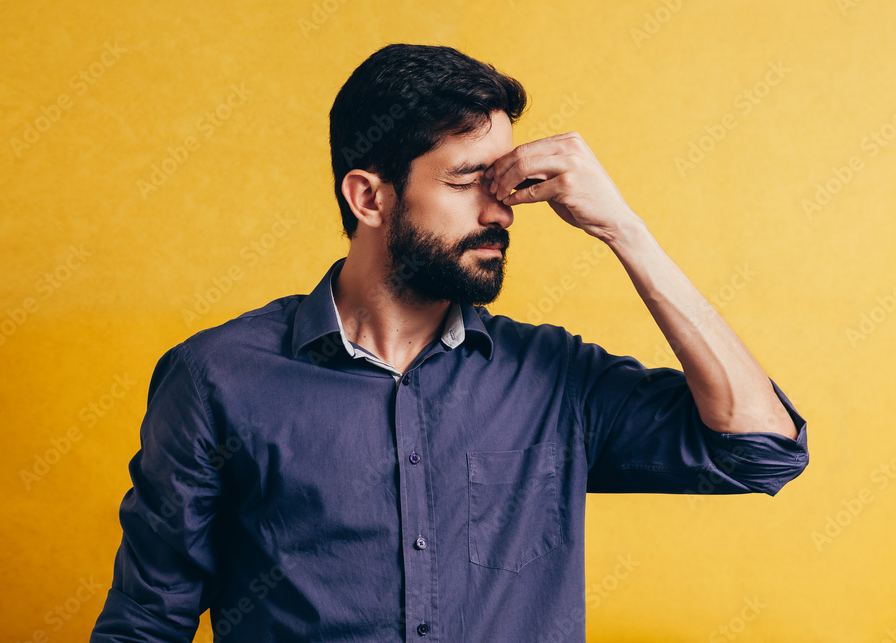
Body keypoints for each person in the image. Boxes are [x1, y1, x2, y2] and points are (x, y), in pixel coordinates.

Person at [90, 43, 808, 642]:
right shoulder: (218, 379)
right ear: (368, 197)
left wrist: (624, 228)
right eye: (470, 181)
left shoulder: (555, 380)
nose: (503, 210)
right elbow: (146, 620)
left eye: (506, 182)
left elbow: (762, 447)